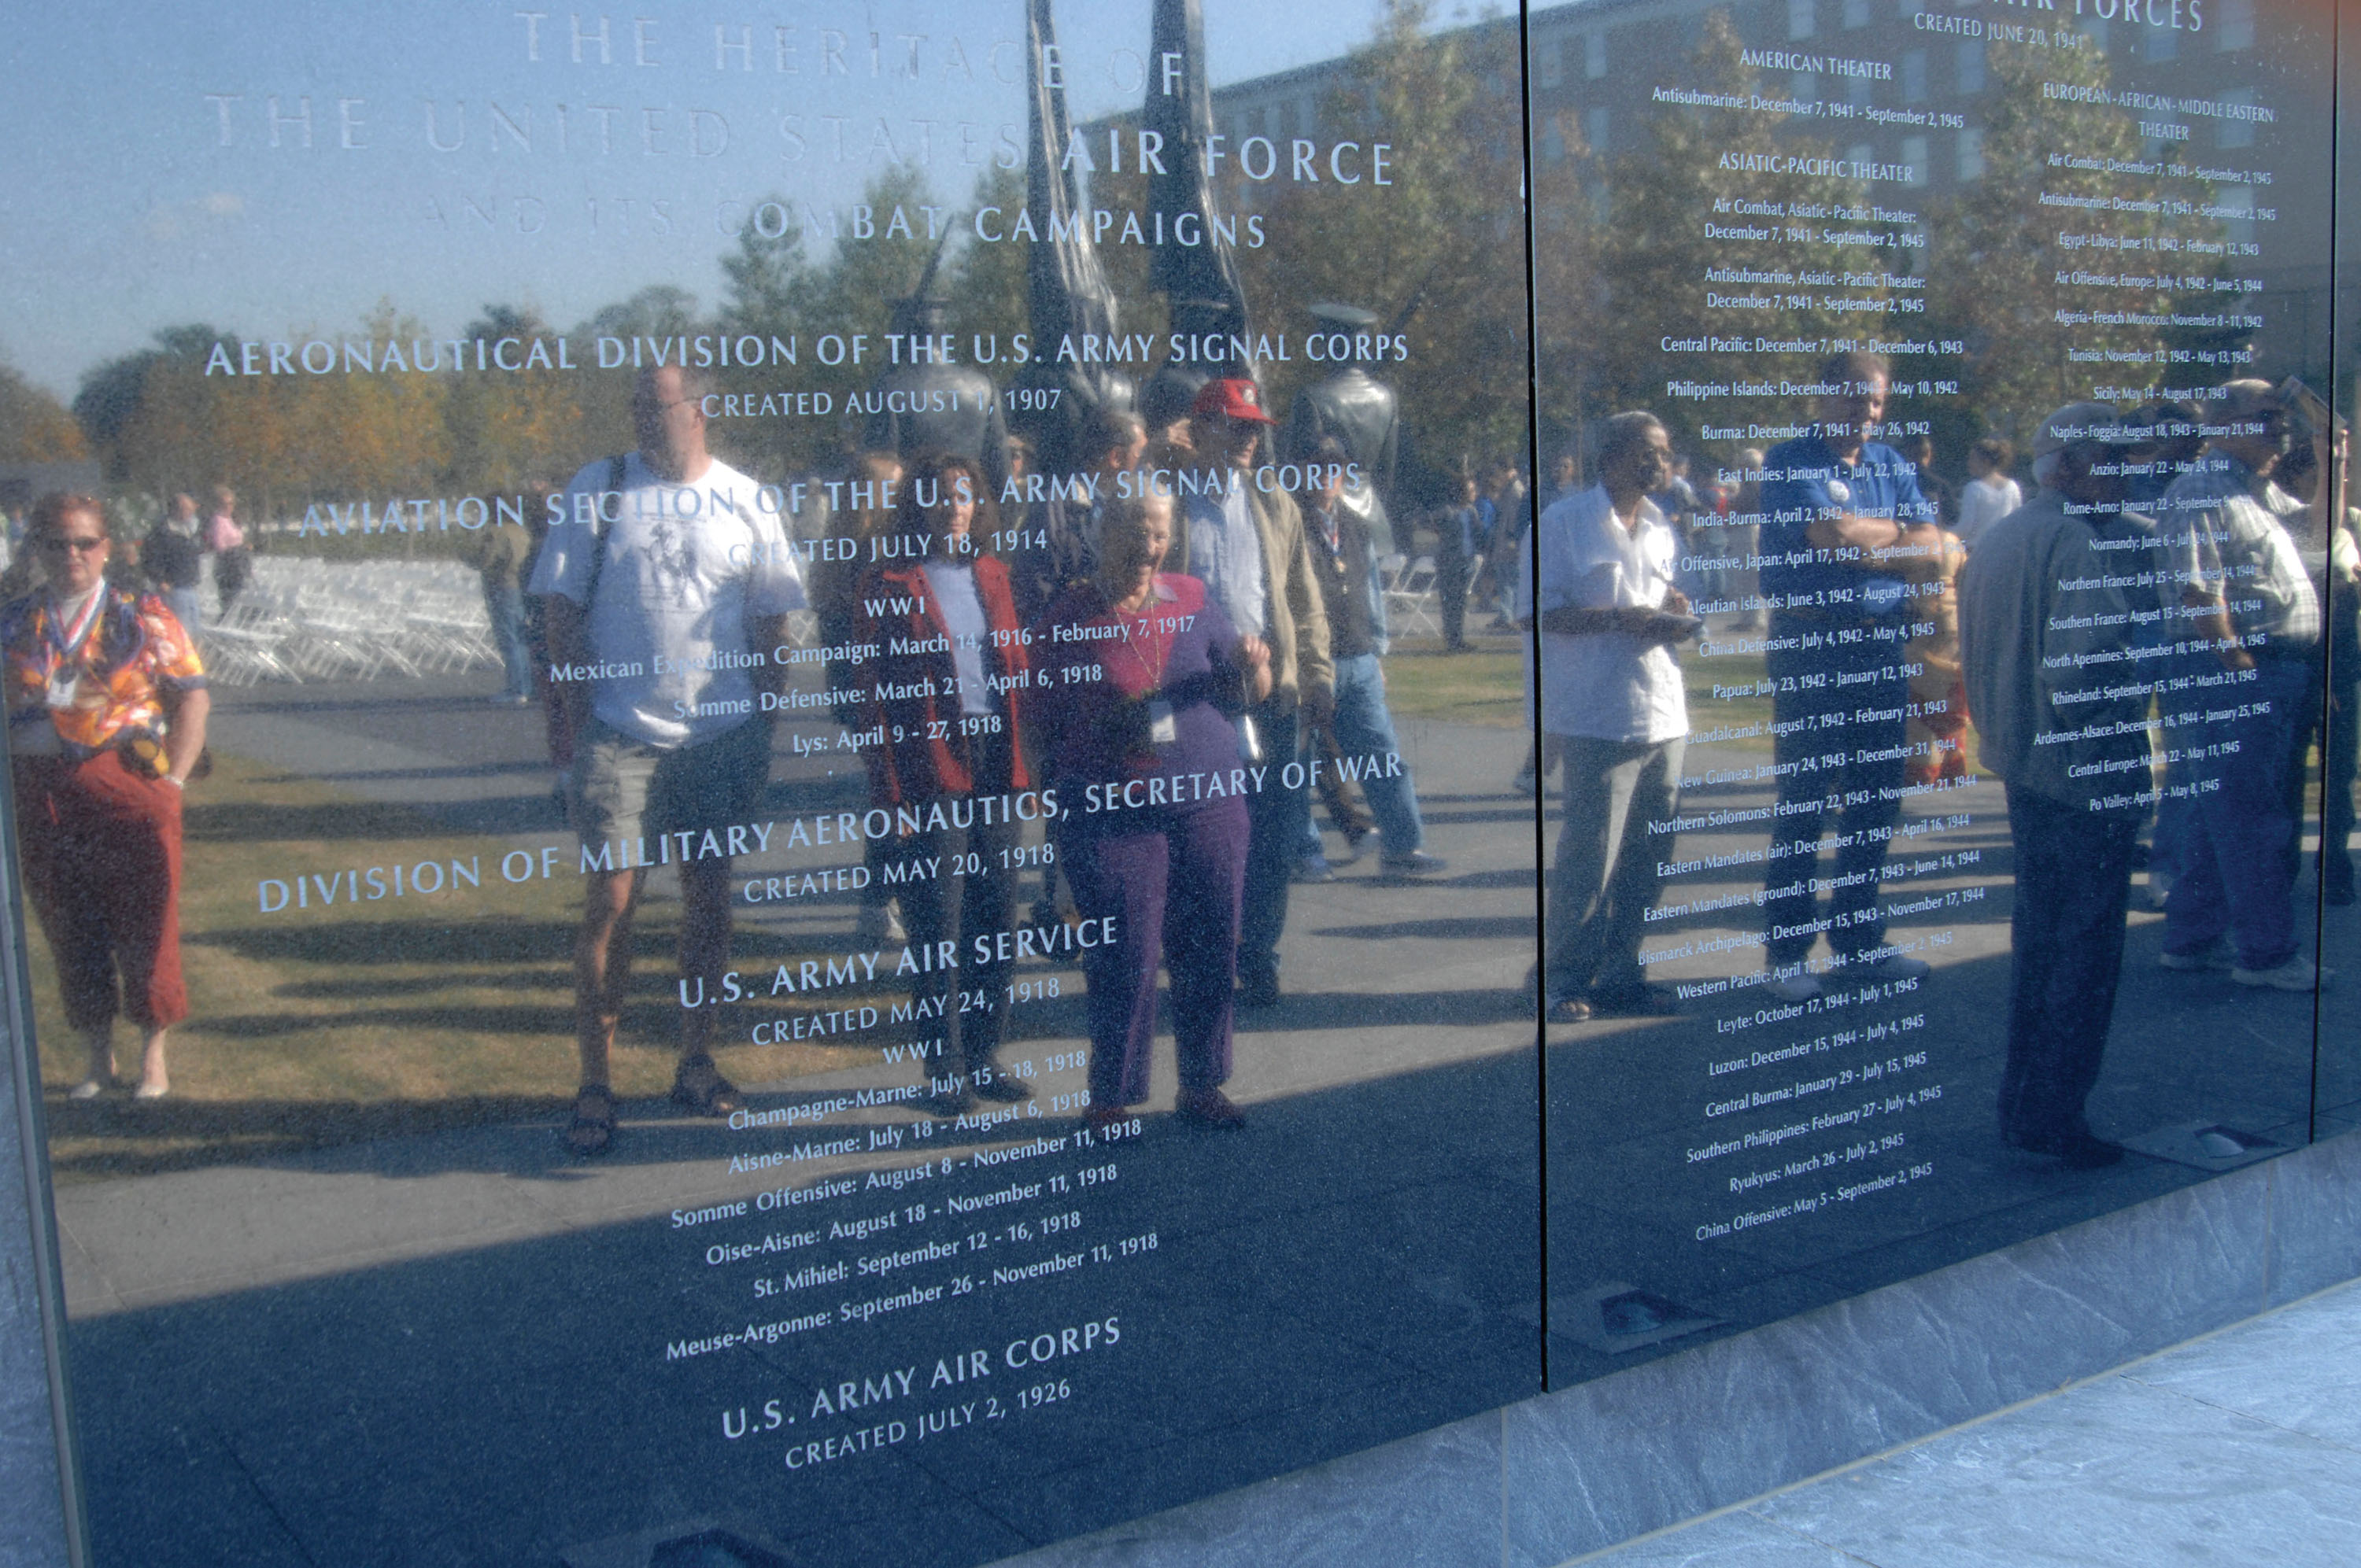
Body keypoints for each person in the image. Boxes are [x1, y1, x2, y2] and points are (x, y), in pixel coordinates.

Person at [529, 364, 806, 1156]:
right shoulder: (600, 485)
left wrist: (762, 721)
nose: (647, 422)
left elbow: (772, 623)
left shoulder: (748, 497)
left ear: (701, 411)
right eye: (639, 409)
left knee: (709, 903)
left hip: (720, 738)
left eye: (661, 408)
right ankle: (595, 1079)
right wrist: (580, 729)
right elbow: (560, 615)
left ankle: (695, 1058)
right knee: (612, 906)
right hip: (620, 734)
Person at [1959, 404, 2157, 1169]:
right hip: (2080, 774)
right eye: (2111, 459)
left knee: (2041, 940)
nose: (2124, 474)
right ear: (2067, 466)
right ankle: (2054, 1111)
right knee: (2082, 949)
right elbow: (2084, 670)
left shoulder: (2004, 536)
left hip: (2022, 763)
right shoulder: (2074, 542)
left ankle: (2026, 1102)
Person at [1033, 491, 1270, 1128]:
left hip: (1209, 796)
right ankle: (1110, 1095)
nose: (1149, 547)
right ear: (1104, 531)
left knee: (1212, 943)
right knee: (1124, 954)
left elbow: (1249, 687)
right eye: (1136, 531)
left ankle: (1203, 1084)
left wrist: (1255, 662)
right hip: (1115, 807)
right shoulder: (1068, 617)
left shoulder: (1192, 596)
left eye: (1159, 534)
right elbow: (1043, 723)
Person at [3, 494, 209, 1101]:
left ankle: (153, 1055)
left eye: (85, 542)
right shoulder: (15, 619)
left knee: (145, 917)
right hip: (40, 790)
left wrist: (173, 780)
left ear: (107, 548)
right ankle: (98, 1057)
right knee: (69, 923)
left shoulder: (141, 614)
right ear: (37, 548)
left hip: (126, 784)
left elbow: (192, 694)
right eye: (57, 542)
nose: (72, 554)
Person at [852, 452, 1036, 1112]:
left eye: (964, 496)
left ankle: (986, 1055)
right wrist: (890, 797)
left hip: (996, 762)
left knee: (995, 915)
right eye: (940, 496)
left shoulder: (995, 575)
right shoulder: (888, 583)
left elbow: (1016, 669)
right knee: (941, 921)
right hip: (932, 765)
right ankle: (945, 1067)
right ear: (919, 506)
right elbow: (872, 701)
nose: (953, 506)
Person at [1756, 351, 1941, 1000]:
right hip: (1813, 646)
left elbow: (1933, 548)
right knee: (1806, 800)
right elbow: (1831, 535)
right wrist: (1895, 543)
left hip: (1880, 649)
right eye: (1856, 396)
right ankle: (1786, 954)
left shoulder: (1892, 465)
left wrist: (1880, 541)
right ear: (1825, 395)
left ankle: (1859, 944)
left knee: (1873, 802)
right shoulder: (1790, 461)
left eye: (1878, 402)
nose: (1867, 411)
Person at [2155, 379, 2326, 990]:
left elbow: (2322, 527)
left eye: (2283, 422)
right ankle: (2267, 954)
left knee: (2215, 813)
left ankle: (2192, 939)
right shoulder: (2203, 488)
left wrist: (2336, 457)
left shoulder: (2257, 492)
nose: (2280, 432)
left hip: (2258, 668)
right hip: (2230, 670)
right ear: (2221, 424)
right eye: (2265, 419)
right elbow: (2199, 588)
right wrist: (2236, 659)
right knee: (2251, 816)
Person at [1169, 377, 1335, 1006]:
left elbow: (1303, 599)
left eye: (1255, 429)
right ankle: (1204, 954)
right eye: (1235, 426)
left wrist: (1317, 675)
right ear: (1200, 428)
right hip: (1196, 695)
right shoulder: (1169, 501)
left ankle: (1258, 956)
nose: (1248, 440)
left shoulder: (1273, 502)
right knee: (1202, 836)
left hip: (1271, 694)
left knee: (1271, 834)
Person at [1533, 413, 1693, 1023]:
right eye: (1650, 452)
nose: (1662, 462)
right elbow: (1535, 613)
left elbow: (1665, 599)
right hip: (1600, 713)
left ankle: (1623, 971)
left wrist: (1673, 610)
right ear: (1613, 457)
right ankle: (1565, 978)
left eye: (1666, 451)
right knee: (1590, 857)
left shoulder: (1660, 527)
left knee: (1648, 857)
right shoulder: (1565, 523)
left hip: (1662, 708)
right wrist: (1613, 619)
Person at [1297, 443, 1445, 878]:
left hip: (1358, 657)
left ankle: (1402, 846)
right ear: (1299, 472)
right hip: (1311, 661)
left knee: (1382, 756)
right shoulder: (1290, 524)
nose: (1327, 477)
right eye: (1317, 467)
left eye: (1336, 468)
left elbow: (1372, 589)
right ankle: (1304, 853)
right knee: (1298, 764)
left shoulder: (1356, 526)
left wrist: (1377, 648)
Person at [809, 450, 909, 944]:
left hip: (891, 690)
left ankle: (890, 897)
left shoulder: (872, 547)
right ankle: (876, 901)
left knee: (897, 794)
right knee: (889, 795)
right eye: (892, 488)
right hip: (871, 692)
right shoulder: (854, 552)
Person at [474, 507, 535, 705]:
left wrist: (470, 557)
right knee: (519, 637)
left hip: (502, 584)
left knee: (509, 638)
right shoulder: (521, 531)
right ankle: (526, 686)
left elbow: (487, 559)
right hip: (519, 584)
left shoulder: (497, 532)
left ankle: (517, 688)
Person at [142, 493, 205, 647]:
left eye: (191, 510)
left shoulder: (190, 529)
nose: (190, 513)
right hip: (174, 587)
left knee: (195, 631)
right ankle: (183, 664)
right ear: (176, 509)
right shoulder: (163, 532)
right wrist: (160, 579)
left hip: (190, 585)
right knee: (182, 631)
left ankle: (194, 660)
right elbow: (150, 558)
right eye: (186, 509)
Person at [1436, 475, 1481, 653]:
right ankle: (1452, 640)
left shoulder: (1471, 512)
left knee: (1461, 602)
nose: (1474, 493)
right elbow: (1432, 522)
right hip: (1449, 564)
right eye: (1470, 490)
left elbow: (1478, 533)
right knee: (1450, 603)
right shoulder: (1448, 511)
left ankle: (1459, 638)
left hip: (1466, 562)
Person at [1954, 438, 2022, 550]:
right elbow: (2018, 524)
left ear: (1985, 461)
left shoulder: (1974, 488)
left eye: (1972, 458)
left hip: (1977, 552)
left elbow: (1964, 529)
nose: (1969, 463)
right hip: (2005, 551)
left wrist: (1943, 531)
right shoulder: (2013, 487)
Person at [203, 484, 250, 614]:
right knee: (231, 602)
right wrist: (238, 547)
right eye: (225, 504)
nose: (229, 507)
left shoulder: (231, 520)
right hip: (228, 566)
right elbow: (220, 545)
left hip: (240, 564)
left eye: (231, 503)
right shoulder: (218, 521)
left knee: (242, 598)